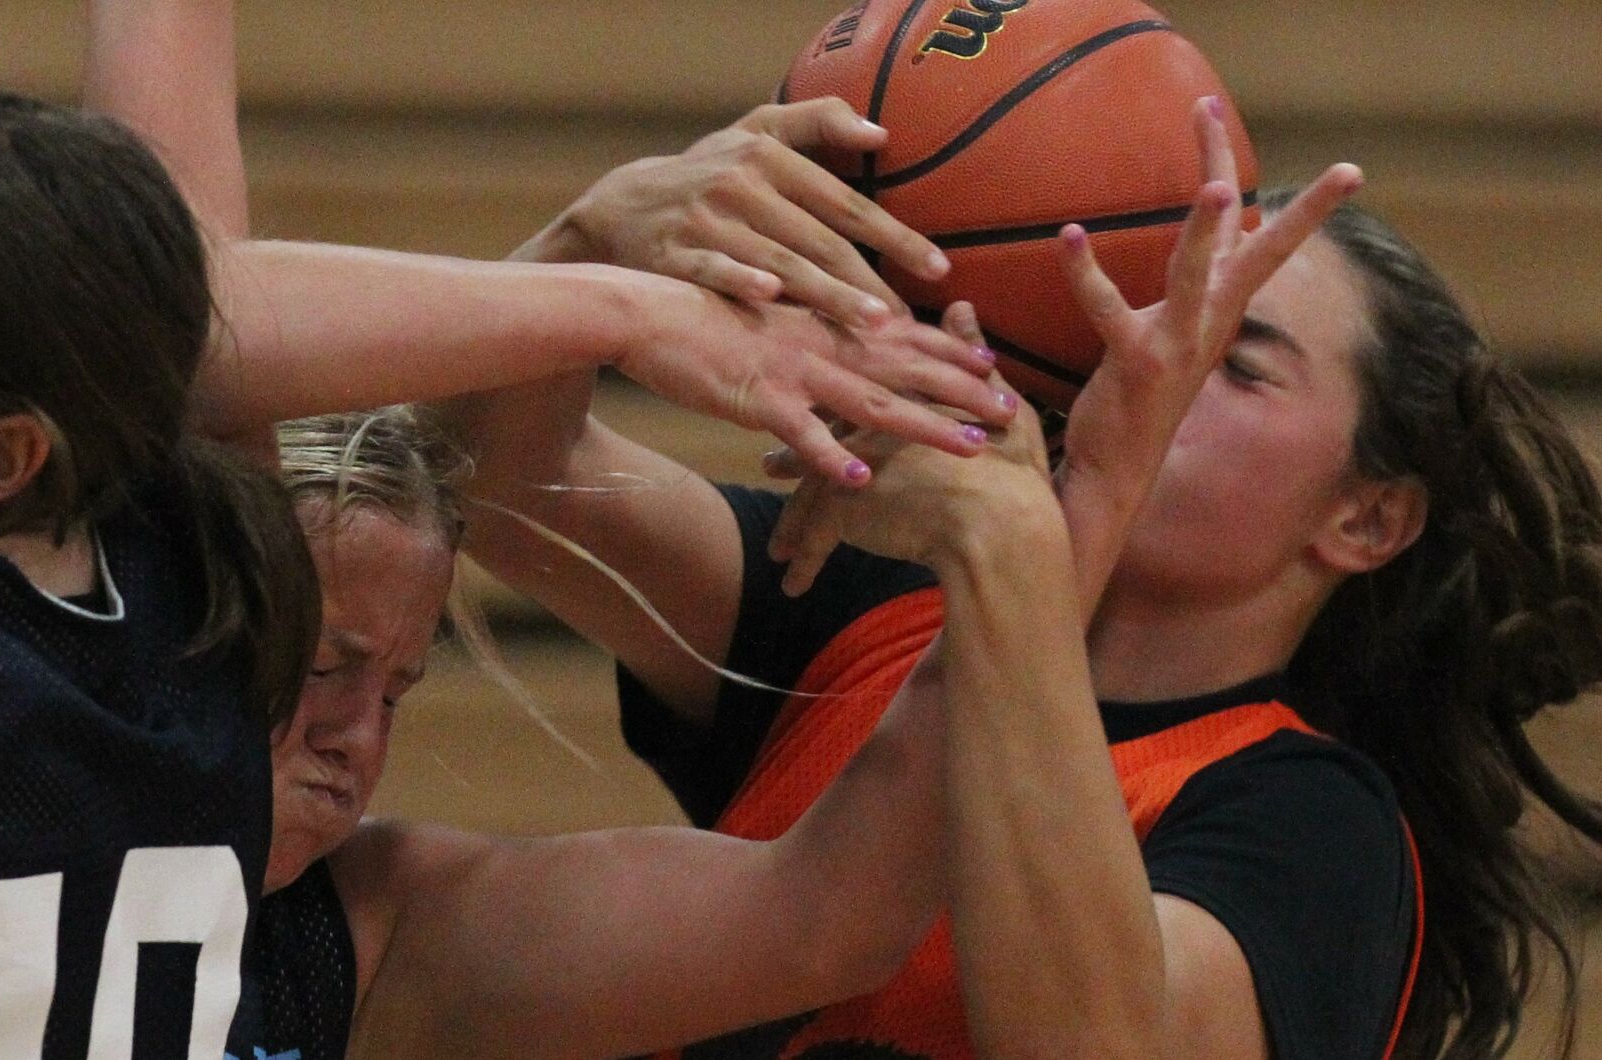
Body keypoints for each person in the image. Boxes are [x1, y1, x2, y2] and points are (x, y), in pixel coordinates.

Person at [0, 78, 1014, 1057]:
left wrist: (610, 297)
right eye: (327, 669)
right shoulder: (190, 630)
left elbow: (191, 289)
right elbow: (185, 279)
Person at [81, 6, 1366, 1056]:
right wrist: (607, 271)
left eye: (399, 687)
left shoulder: (368, 936)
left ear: (1372, 512)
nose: (355, 743)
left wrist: (1039, 520)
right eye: (318, 669)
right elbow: (220, 349)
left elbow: (847, 924)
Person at [451, 99, 1602, 1060]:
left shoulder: (1308, 822)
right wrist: (588, 247)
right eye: (1133, 319)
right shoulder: (864, 619)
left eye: (1223, 363)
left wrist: (1012, 548)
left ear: (1366, 517)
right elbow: (501, 480)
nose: (1139, 371)